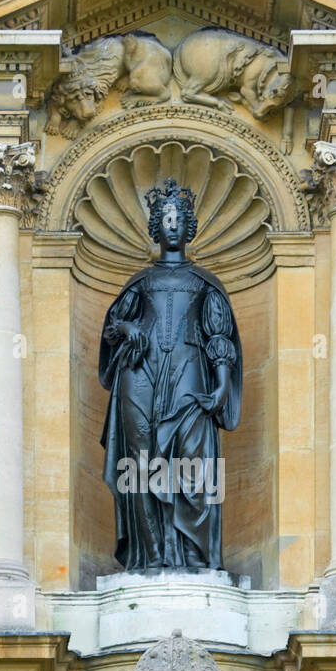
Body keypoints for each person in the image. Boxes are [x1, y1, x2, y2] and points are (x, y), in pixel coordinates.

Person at [99, 178, 242, 570]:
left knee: (193, 464)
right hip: (140, 375)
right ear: (156, 227)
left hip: (189, 375)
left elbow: (220, 339)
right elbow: (113, 327)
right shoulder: (140, 284)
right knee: (141, 463)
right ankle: (152, 555)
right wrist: (127, 329)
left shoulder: (205, 285)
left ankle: (193, 554)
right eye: (166, 217)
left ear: (190, 227)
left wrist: (222, 388)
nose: (173, 223)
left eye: (180, 217)